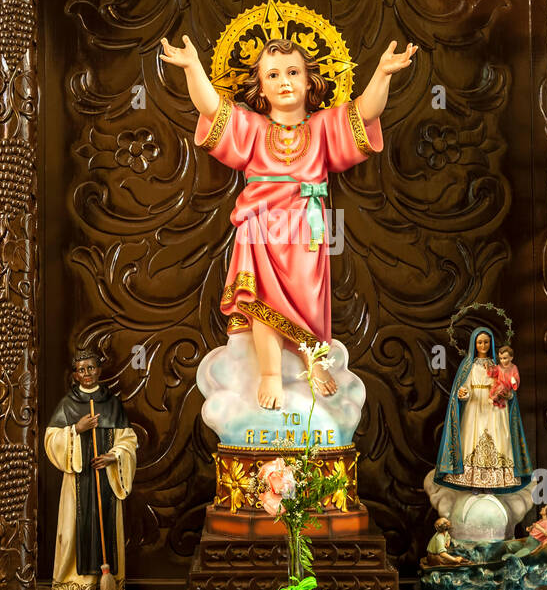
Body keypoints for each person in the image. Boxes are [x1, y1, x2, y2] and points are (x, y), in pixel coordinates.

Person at [160, 32, 416, 410]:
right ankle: (271, 374)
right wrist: (193, 67)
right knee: (264, 298)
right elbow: (214, 109)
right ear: (261, 88)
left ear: (309, 80)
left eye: (293, 72)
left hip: (306, 229)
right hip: (261, 228)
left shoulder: (323, 127)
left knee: (309, 299)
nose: (285, 82)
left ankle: (313, 362)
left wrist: (382, 73)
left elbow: (366, 112)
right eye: (274, 75)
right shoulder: (254, 128)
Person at [43, 349, 138, 590]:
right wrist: (76, 429)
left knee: (106, 528)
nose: (86, 374)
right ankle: (79, 587)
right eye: (81, 369)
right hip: (78, 481)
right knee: (78, 526)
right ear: (75, 375)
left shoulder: (112, 402)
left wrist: (113, 456)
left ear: (99, 369)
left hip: (107, 480)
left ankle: (105, 586)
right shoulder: (68, 403)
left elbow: (129, 440)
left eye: (91, 368)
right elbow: (50, 440)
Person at [434, 327, 532, 493]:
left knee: (498, 438)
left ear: (491, 343)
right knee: (472, 438)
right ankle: (474, 482)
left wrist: (507, 393)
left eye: (486, 342)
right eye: (480, 342)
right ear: (474, 344)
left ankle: (493, 482)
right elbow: (463, 386)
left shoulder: (498, 364)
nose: (483, 345)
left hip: (495, 408)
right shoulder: (468, 365)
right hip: (474, 407)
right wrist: (463, 393)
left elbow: (507, 384)